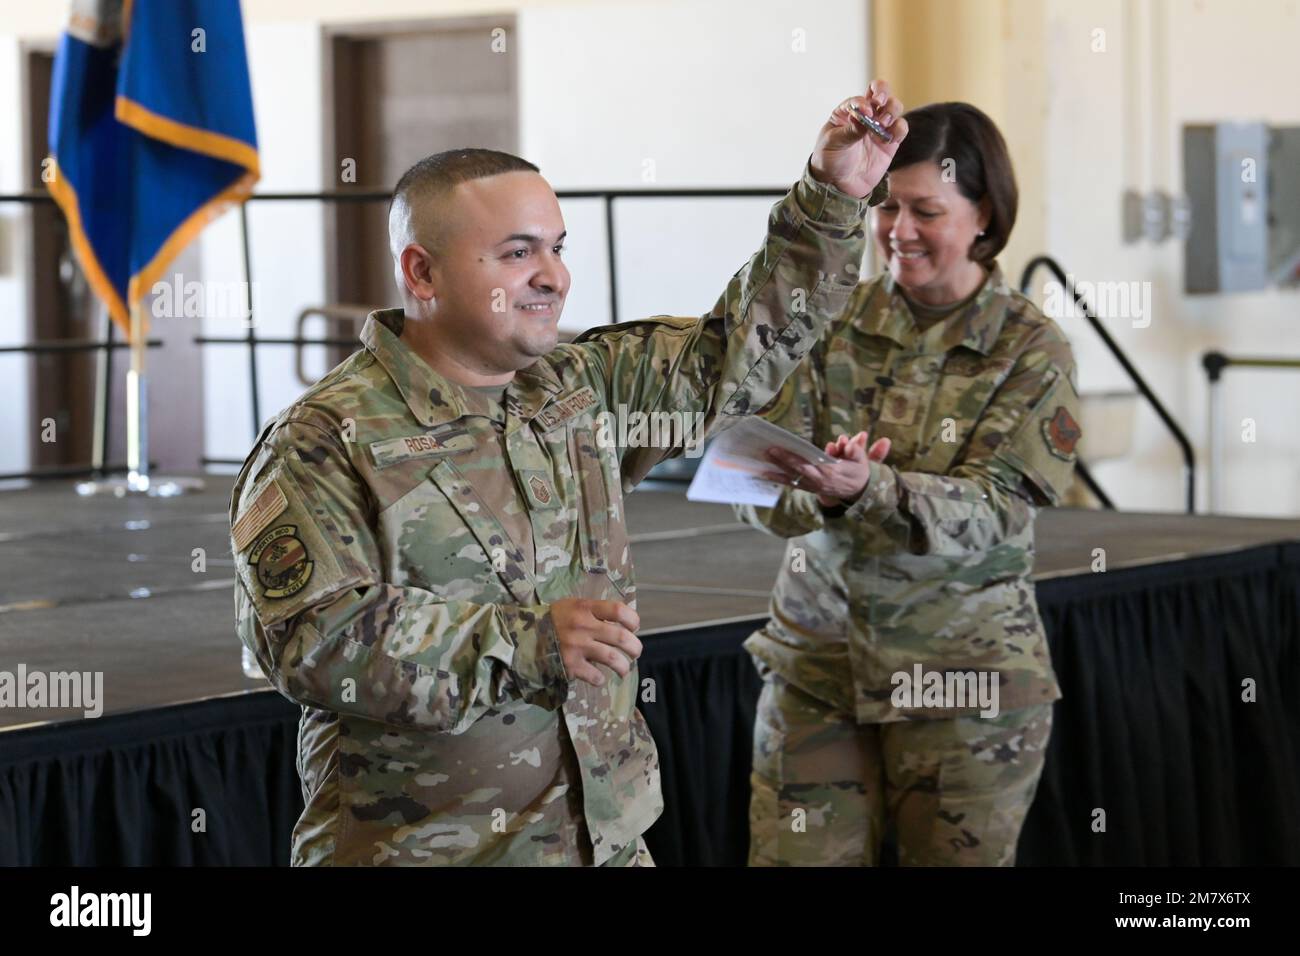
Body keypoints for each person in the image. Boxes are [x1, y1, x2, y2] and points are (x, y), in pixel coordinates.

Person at [228, 83, 906, 865]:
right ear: (422, 272)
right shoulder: (325, 440)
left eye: (558, 247)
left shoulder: (581, 390)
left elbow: (735, 358)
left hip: (602, 842)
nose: (553, 276)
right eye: (518, 253)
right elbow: (310, 642)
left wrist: (833, 197)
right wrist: (525, 643)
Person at [738, 101, 1082, 866]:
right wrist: (819, 490)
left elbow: (997, 509)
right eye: (886, 205)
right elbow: (758, 486)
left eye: (926, 209)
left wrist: (875, 489)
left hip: (963, 686)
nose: (897, 229)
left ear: (984, 212)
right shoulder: (829, 323)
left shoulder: (1031, 349)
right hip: (817, 675)